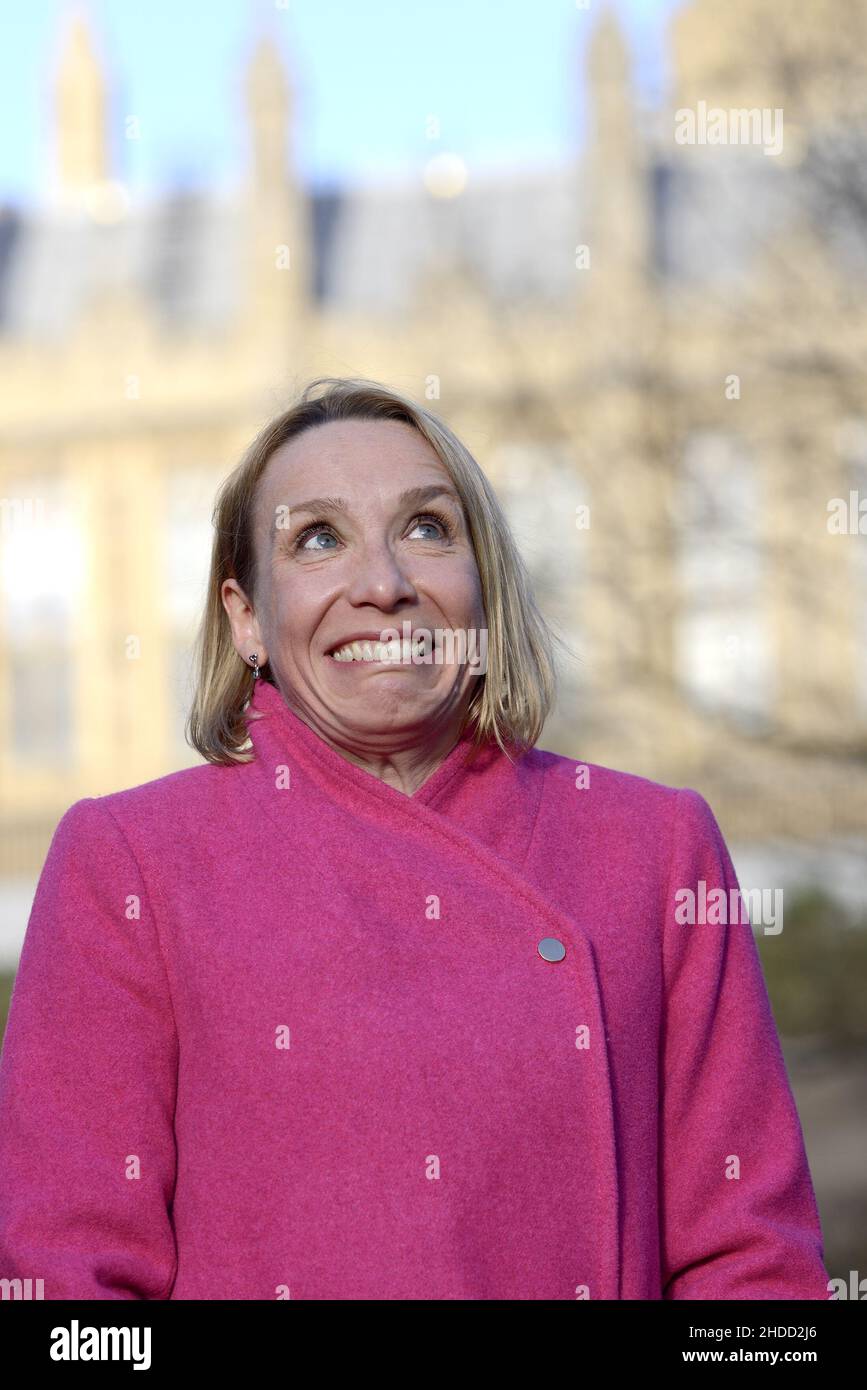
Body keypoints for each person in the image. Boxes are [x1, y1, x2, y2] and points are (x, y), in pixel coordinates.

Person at [0, 376, 830, 1300]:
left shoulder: (654, 847)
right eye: (319, 539)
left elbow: (755, 1269)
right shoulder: (131, 862)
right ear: (246, 619)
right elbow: (67, 1278)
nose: (384, 586)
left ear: (483, 587)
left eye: (427, 528)